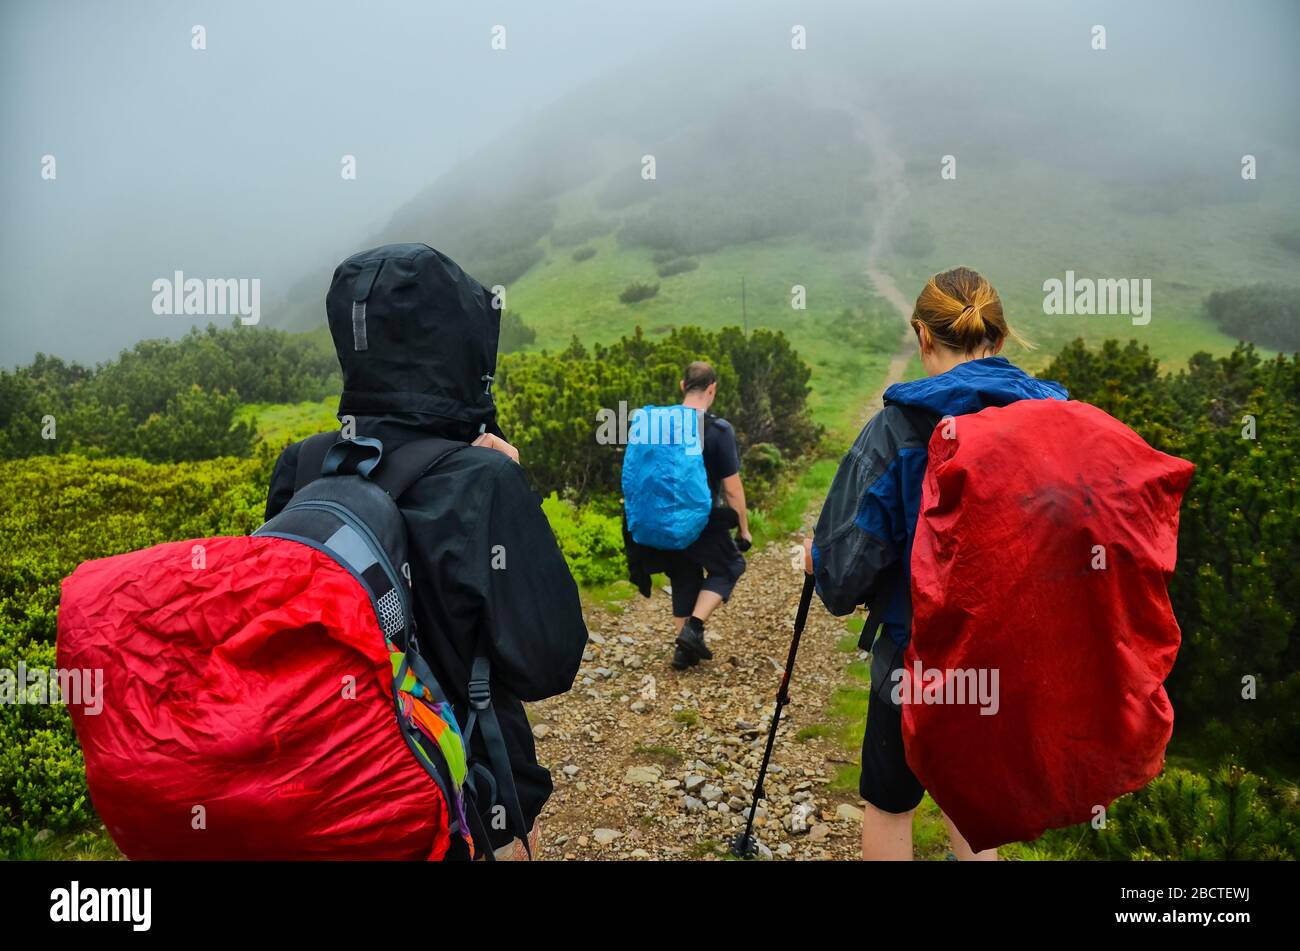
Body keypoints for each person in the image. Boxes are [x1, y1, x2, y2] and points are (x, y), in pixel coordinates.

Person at [264, 243, 588, 860]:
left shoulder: (303, 465)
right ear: (463, 346)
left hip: (328, 779)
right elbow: (549, 663)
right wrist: (512, 500)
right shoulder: (483, 480)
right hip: (464, 787)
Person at [804, 266, 1067, 861]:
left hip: (915, 657)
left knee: (890, 803)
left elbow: (844, 577)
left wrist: (817, 559)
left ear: (923, 337)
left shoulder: (897, 427)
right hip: (1005, 656)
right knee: (970, 801)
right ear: (999, 341)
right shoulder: (1048, 422)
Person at [625, 361, 751, 671]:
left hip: (664, 520)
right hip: (701, 522)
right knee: (732, 564)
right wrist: (744, 531)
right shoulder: (719, 429)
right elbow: (732, 490)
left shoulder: (658, 424)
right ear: (712, 389)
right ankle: (693, 628)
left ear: (683, 386)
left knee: (683, 576)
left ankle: (683, 652)